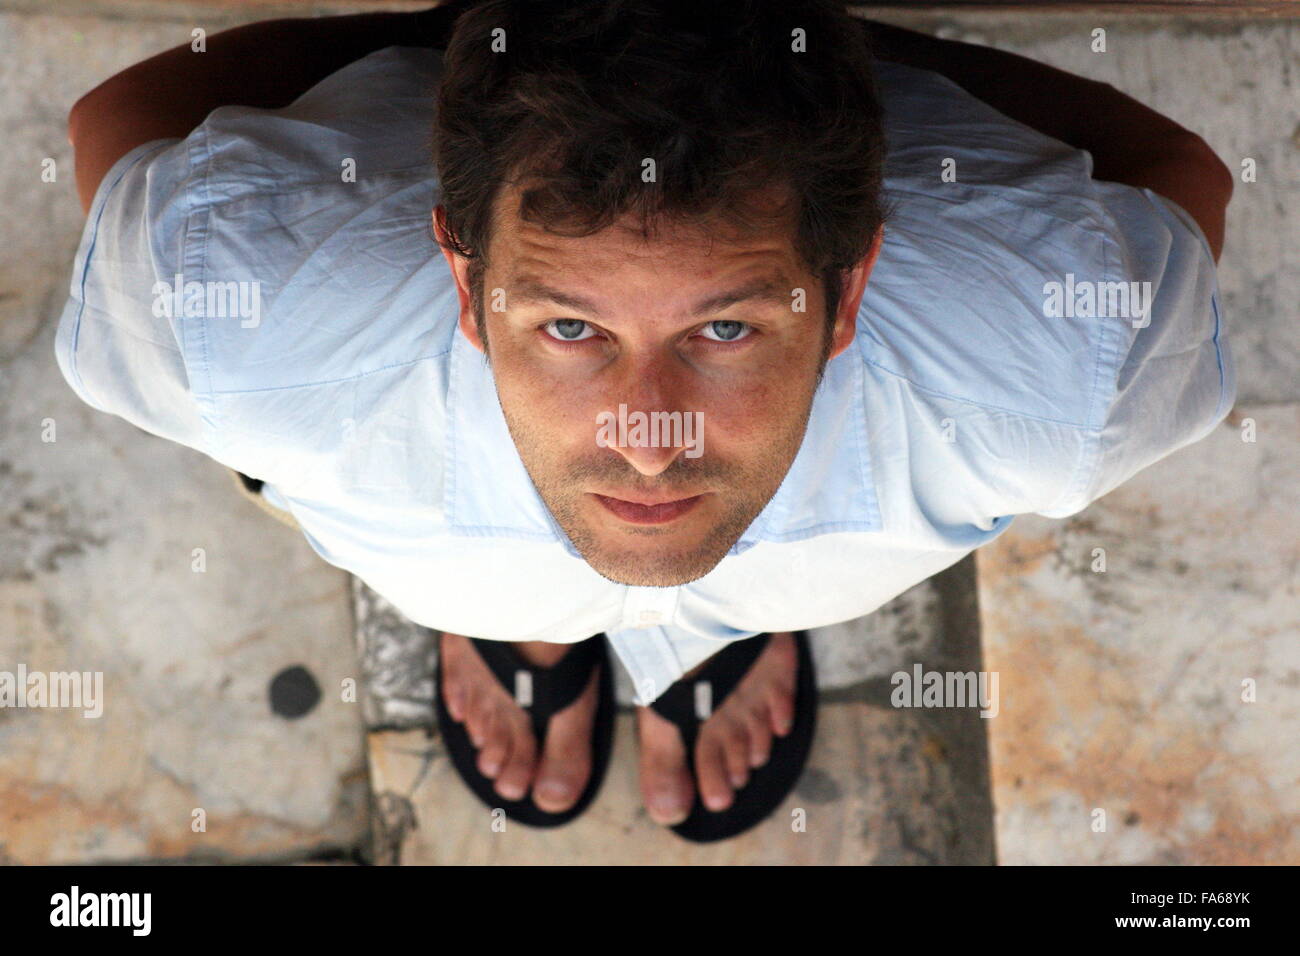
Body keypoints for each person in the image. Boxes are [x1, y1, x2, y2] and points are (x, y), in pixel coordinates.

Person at [60, 0, 1234, 842]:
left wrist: (442, 44)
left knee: (428, 548)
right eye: (570, 328)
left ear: (850, 289)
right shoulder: (254, 327)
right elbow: (117, 139)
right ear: (468, 287)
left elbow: (1175, 180)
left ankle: (597, 625)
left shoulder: (1047, 371)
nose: (648, 439)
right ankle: (546, 619)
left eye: (724, 330)